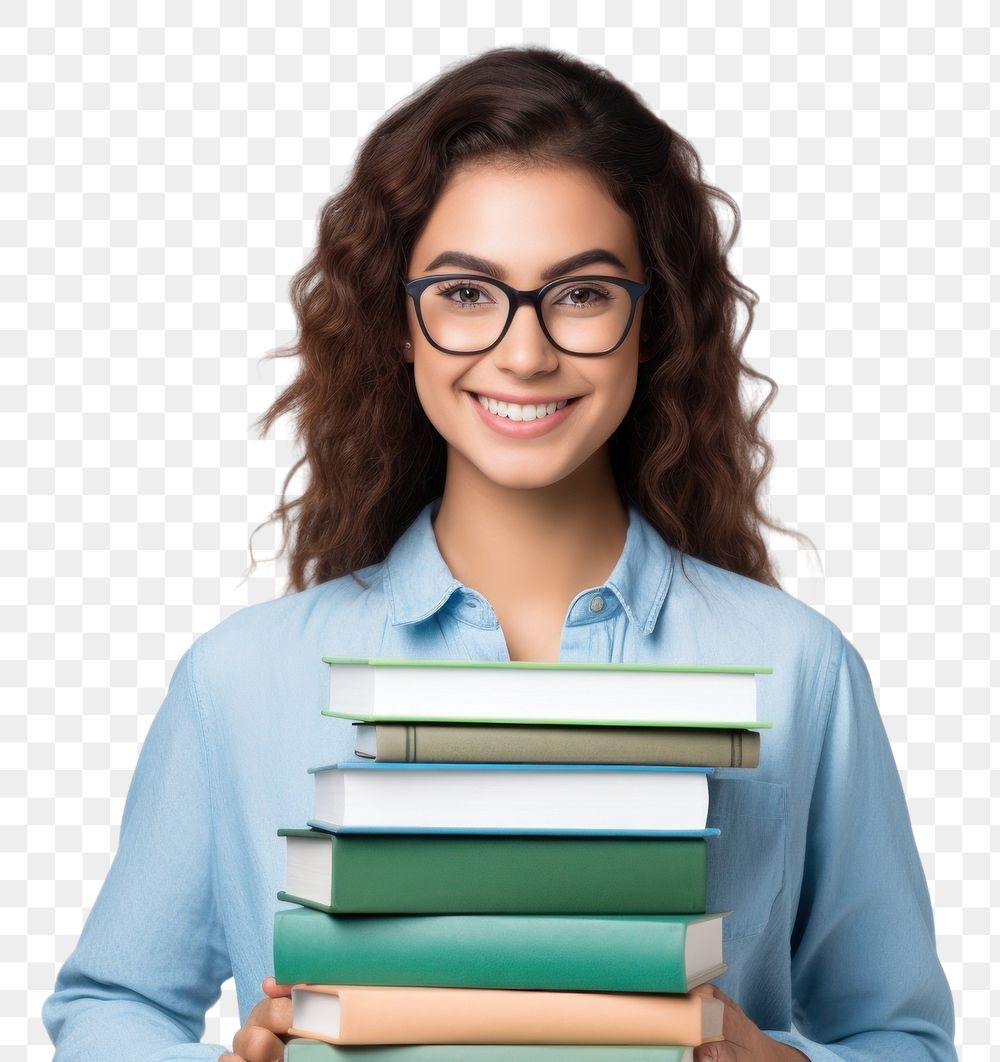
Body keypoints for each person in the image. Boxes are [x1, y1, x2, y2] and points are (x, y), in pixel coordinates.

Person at [43, 45, 957, 1062]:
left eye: (581, 294)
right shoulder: (239, 680)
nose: (524, 354)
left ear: (650, 322)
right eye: (468, 293)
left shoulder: (798, 669)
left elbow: (899, 1034)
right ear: (403, 322)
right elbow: (111, 1007)